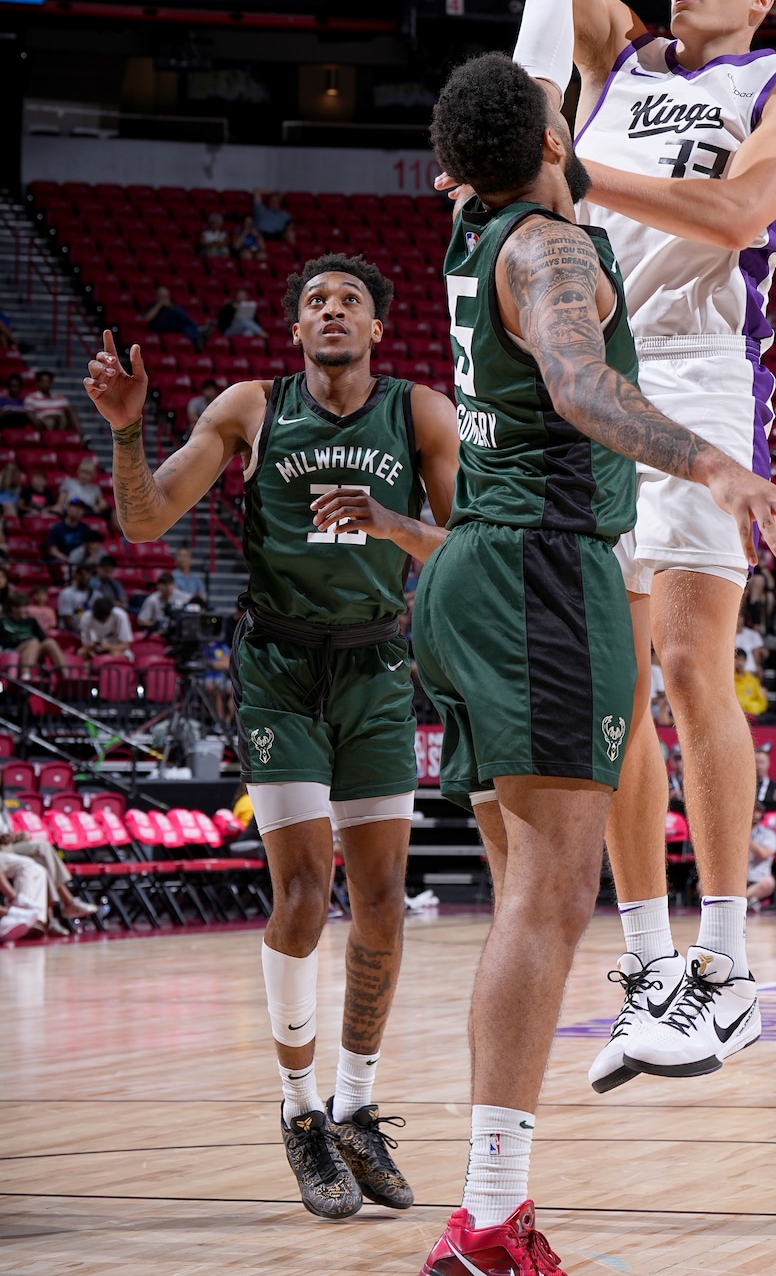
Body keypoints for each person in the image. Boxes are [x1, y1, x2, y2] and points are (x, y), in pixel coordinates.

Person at [441, 0, 776, 1089]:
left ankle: (731, 962)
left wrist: (566, 175)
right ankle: (657, 965)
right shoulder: (619, 63)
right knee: (607, 684)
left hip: (686, 363)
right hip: (574, 357)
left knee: (684, 659)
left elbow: (741, 212)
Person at [415, 41, 776, 1273]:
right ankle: (489, 1216)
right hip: (542, 566)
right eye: (564, 115)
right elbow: (579, 380)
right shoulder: (547, 248)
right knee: (546, 901)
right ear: (554, 145)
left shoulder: (473, 230)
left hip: (471, 569)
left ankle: (499, 1204)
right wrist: (706, 458)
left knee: (522, 899)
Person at [85, 251, 461, 1219]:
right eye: (313, 302)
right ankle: (299, 1112)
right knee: (303, 891)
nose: (330, 310)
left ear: (379, 328)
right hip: (280, 669)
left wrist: (392, 522)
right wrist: (128, 434)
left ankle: (356, 1106)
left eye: (349, 301)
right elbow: (144, 517)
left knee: (380, 899)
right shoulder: (253, 406)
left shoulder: (418, 414)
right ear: (295, 331)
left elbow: (470, 547)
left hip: (376, 667)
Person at [24, 369, 77, 433]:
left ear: (51, 383)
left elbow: (68, 412)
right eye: (43, 381)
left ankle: (80, 437)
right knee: (47, 421)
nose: (46, 384)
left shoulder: (60, 397)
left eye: (48, 382)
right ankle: (45, 438)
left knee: (71, 410)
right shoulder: (31, 398)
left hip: (61, 421)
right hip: (43, 422)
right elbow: (31, 415)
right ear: (38, 383)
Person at [746, 804, 776, 910]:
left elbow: (764, 853)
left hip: (757, 879)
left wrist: (745, 838)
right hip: (736, 878)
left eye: (758, 811)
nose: (754, 814)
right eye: (752, 809)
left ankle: (737, 901)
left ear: (762, 814)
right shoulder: (732, 833)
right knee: (702, 885)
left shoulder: (769, 834)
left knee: (769, 882)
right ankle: (749, 901)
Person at [734, 648, 769, 718]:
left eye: (742, 660)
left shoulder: (753, 680)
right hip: (735, 715)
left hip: (752, 715)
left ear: (746, 661)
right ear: (734, 661)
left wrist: (752, 709)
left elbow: (762, 702)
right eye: (738, 660)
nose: (740, 663)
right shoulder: (731, 680)